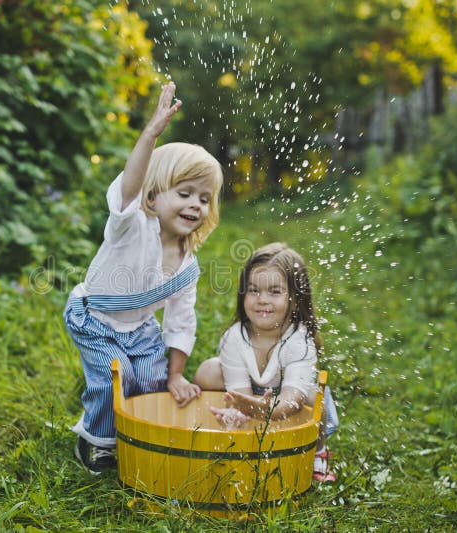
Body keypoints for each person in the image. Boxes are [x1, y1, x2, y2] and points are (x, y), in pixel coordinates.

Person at [64, 82, 224, 474]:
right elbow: (130, 186)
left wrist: (176, 374)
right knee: (116, 376)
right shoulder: (132, 225)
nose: (195, 204)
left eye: (204, 199)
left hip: (139, 329)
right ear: (152, 197)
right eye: (185, 193)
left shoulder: (186, 267)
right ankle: (95, 441)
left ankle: (136, 432)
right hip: (94, 318)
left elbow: (181, 321)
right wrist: (151, 134)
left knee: (151, 378)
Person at [193, 242, 339, 482]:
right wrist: (240, 408)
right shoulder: (235, 337)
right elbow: (240, 393)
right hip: (250, 396)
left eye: (274, 292)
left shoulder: (299, 341)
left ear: (295, 299)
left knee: (316, 397)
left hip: (288, 399)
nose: (262, 300)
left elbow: (291, 400)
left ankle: (317, 453)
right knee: (208, 370)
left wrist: (257, 408)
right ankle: (219, 426)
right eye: (253, 290)